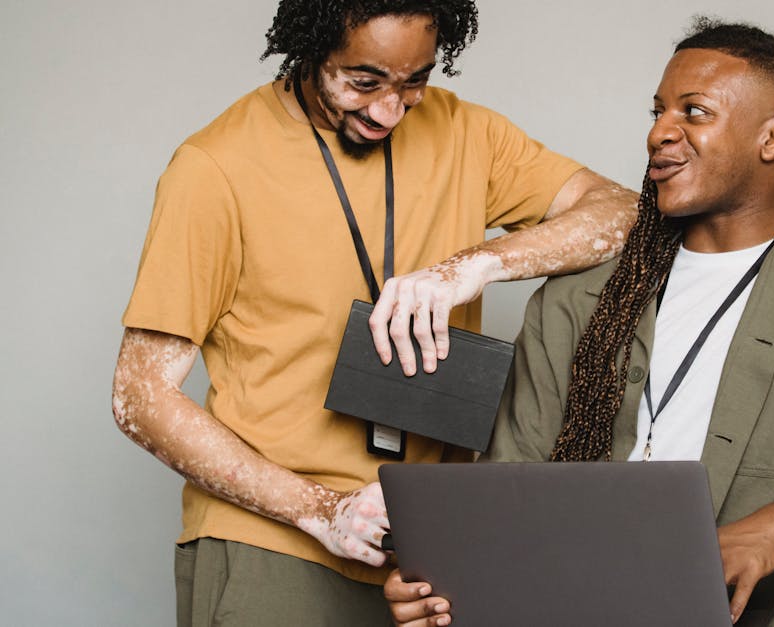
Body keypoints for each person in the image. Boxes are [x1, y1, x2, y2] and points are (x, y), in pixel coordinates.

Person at [384, 17, 774, 627]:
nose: (659, 133)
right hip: (575, 605)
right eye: (658, 110)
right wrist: (444, 588)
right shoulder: (581, 295)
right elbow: (508, 488)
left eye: (694, 112)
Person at [110, 1, 637, 624]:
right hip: (272, 540)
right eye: (363, 82)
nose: (390, 109)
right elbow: (139, 398)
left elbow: (621, 212)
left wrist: (474, 267)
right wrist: (321, 510)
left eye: (414, 82)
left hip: (431, 546)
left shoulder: (466, 132)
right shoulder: (213, 167)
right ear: (309, 48)